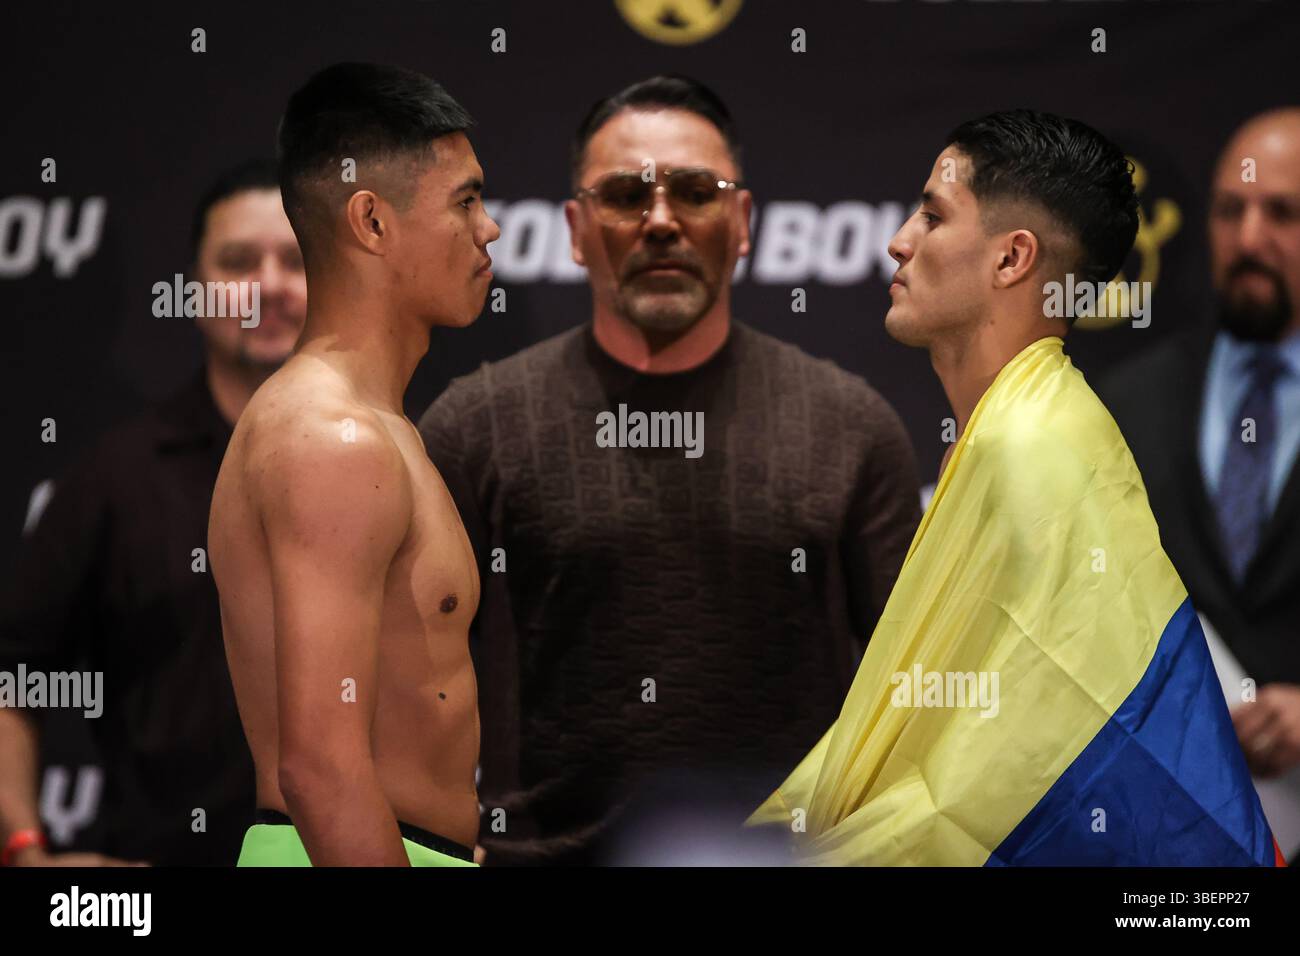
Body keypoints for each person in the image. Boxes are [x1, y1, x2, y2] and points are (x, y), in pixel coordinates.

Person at [750, 110, 1278, 866]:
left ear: (1011, 258)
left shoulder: (1031, 443)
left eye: (933, 216)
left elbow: (1020, 766)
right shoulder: (1017, 427)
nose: (898, 240)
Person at [419, 75, 921, 865]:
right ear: (576, 230)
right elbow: (409, 692)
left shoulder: (853, 428)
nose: (661, 221)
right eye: (626, 195)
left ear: (744, 222)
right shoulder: (472, 426)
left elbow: (915, 700)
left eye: (695, 192)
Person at [211, 62, 499, 867]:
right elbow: (320, 771)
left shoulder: (369, 426)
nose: (489, 229)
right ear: (372, 221)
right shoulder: (331, 439)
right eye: (466, 201)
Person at [0, 159, 306, 866]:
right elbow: (12, 676)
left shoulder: (402, 459)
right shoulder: (115, 477)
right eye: (238, 263)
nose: (268, 286)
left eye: (296, 261)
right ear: (192, 292)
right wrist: (24, 849)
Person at [1096, 108, 1300, 786]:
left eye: (1282, 213)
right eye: (1229, 211)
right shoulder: (1124, 403)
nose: (1249, 238)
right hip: (1161, 809)